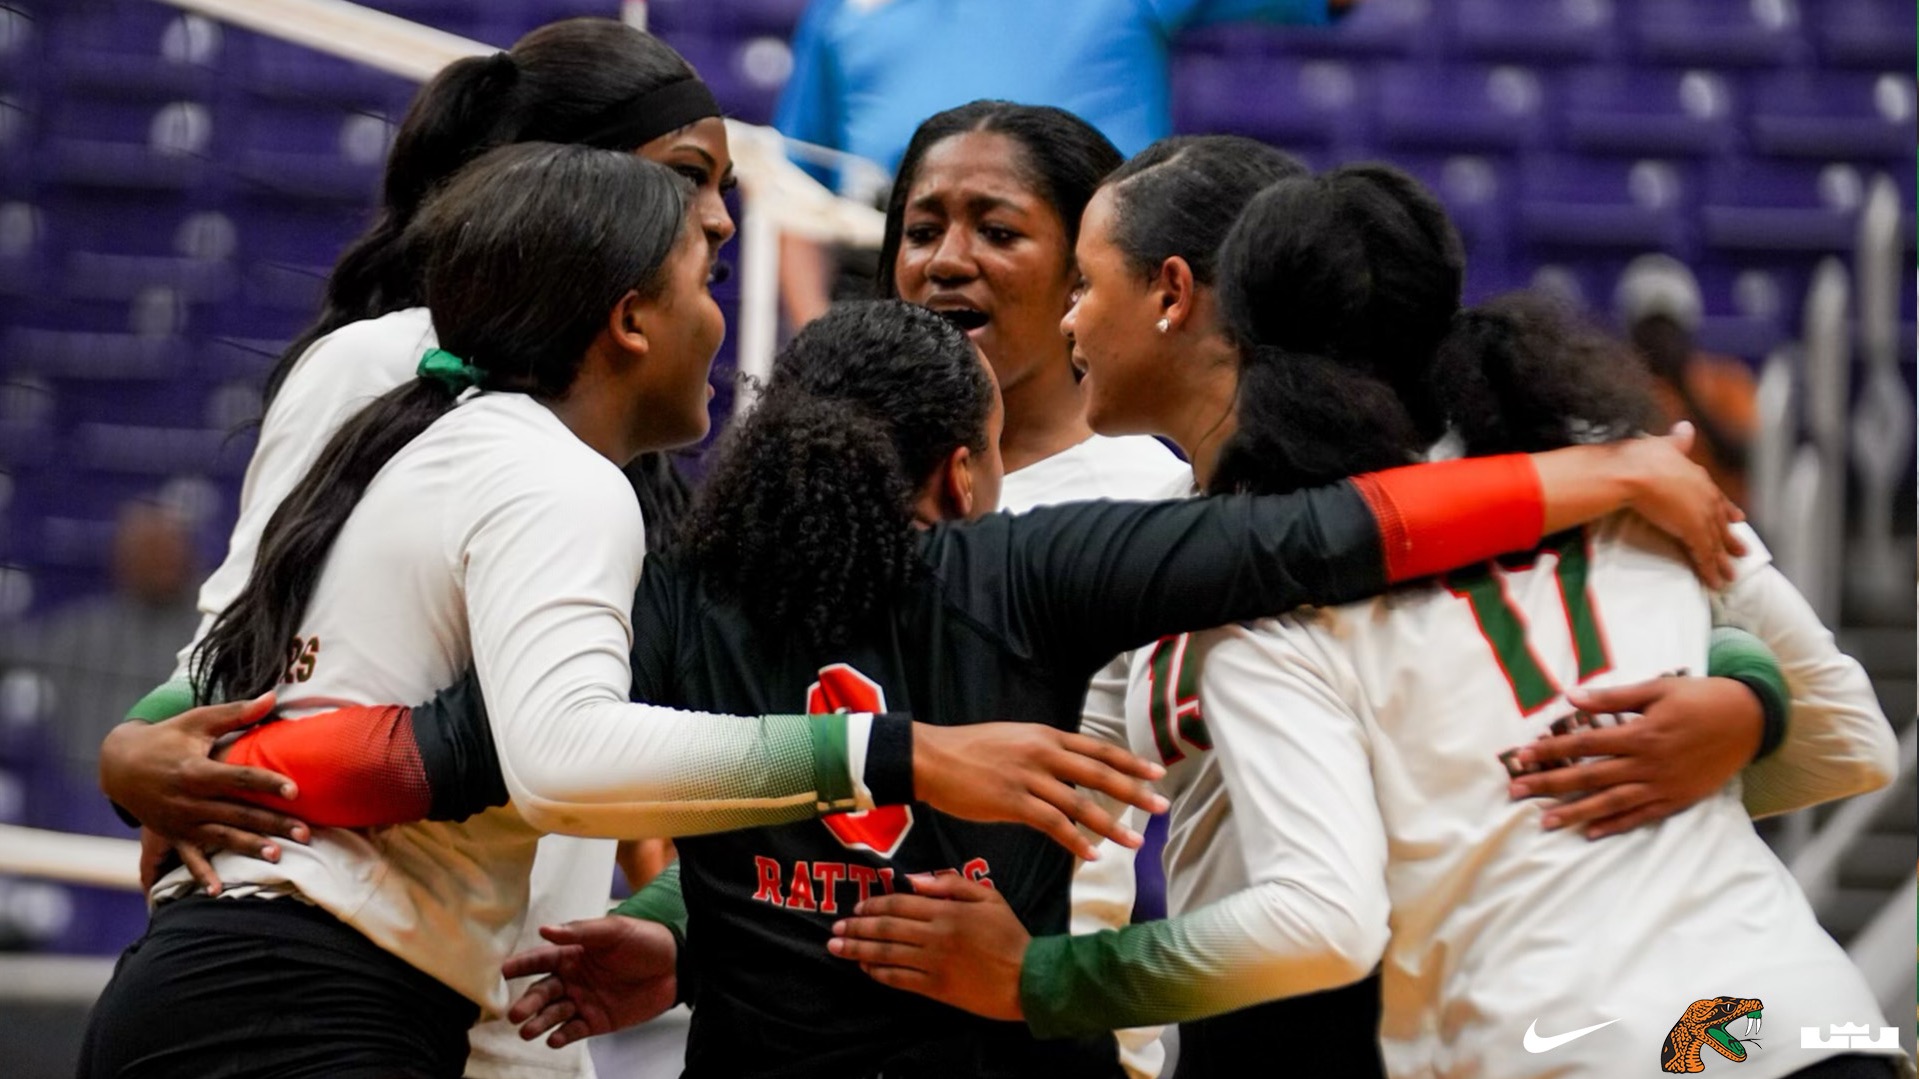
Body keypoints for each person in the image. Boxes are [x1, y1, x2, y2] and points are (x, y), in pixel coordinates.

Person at [180, 295, 1739, 1077]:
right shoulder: (1026, 574)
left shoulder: (661, 604)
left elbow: (412, 753)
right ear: (959, 462)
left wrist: (175, 763)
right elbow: (1332, 537)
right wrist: (1588, 468)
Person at [80, 146, 1173, 1079]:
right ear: (627, 317)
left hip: (253, 979)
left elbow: (432, 738)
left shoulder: (451, 440)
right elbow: (548, 751)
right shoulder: (560, 479)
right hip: (303, 998)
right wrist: (895, 752)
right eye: (707, 269)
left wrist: (204, 758)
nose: (720, 310)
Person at [829, 165, 1905, 1079]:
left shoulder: (1270, 611)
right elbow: (1847, 732)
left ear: (1211, 318)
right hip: (1800, 1016)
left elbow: (1319, 919)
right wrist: (1744, 699)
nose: (1068, 315)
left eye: (1082, 281)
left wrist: (1044, 978)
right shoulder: (1620, 486)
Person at [96, 22, 743, 1078]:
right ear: (563, 183)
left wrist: (674, 915)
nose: (715, 217)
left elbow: (650, 739)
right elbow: (246, 645)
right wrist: (136, 747)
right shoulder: (394, 362)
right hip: (338, 969)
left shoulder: (624, 456)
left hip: (506, 1008)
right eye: (685, 179)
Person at [774, 0, 1358, 325]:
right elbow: (794, 188)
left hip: (1103, 297)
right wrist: (816, 331)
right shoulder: (840, 11)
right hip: (898, 298)